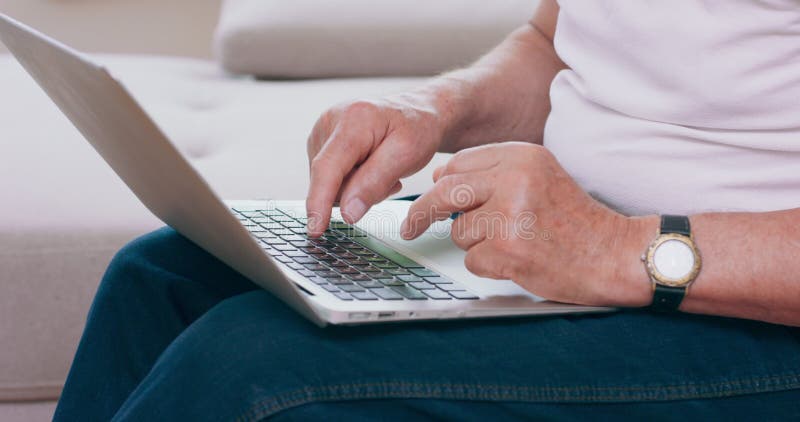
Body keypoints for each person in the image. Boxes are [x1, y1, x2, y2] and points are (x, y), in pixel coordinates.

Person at [54, 1, 800, 420]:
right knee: (158, 279)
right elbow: (556, 42)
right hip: (568, 241)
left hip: (739, 308)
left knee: (244, 367)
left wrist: (611, 249)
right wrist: (436, 107)